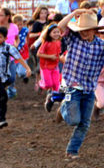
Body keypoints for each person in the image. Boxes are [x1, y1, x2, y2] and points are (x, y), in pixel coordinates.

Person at [55, 10, 104, 159]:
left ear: (94, 31)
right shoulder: (73, 38)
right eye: (81, 29)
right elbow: (60, 25)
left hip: (89, 88)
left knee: (84, 123)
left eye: (87, 30)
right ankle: (63, 107)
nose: (83, 33)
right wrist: (75, 12)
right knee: (73, 120)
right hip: (72, 86)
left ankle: (72, 151)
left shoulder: (101, 46)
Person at [38, 24, 63, 112]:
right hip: (45, 67)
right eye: (54, 32)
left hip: (55, 66)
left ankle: (51, 99)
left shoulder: (59, 42)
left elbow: (58, 54)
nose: (56, 34)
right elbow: (39, 54)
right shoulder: (46, 43)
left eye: (58, 32)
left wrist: (60, 59)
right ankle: (41, 83)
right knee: (48, 84)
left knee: (56, 84)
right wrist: (49, 57)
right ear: (49, 33)